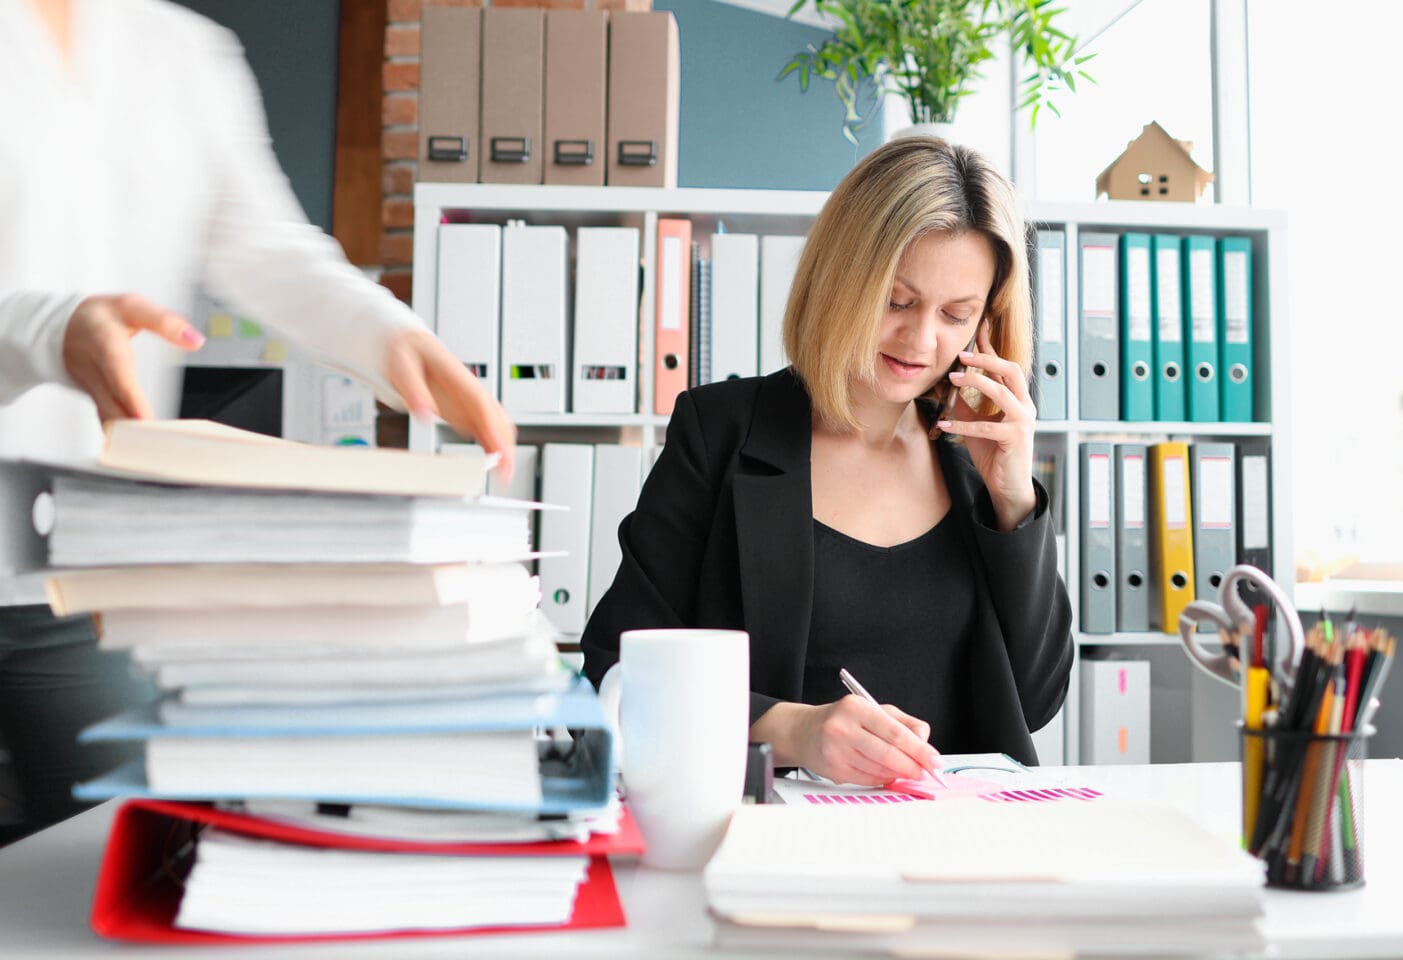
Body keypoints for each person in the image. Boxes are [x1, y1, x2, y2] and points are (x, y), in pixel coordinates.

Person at [0, 0, 515, 840]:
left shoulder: (186, 53)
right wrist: (52, 333)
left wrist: (393, 336)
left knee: (129, 858)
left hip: (79, 569)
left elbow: (269, 247)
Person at [581, 137, 1073, 786]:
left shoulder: (974, 467)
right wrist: (792, 730)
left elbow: (1035, 701)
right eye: (897, 301)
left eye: (957, 315)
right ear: (842, 277)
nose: (923, 340)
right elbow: (615, 671)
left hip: (954, 841)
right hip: (770, 833)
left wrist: (1013, 499)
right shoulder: (721, 434)